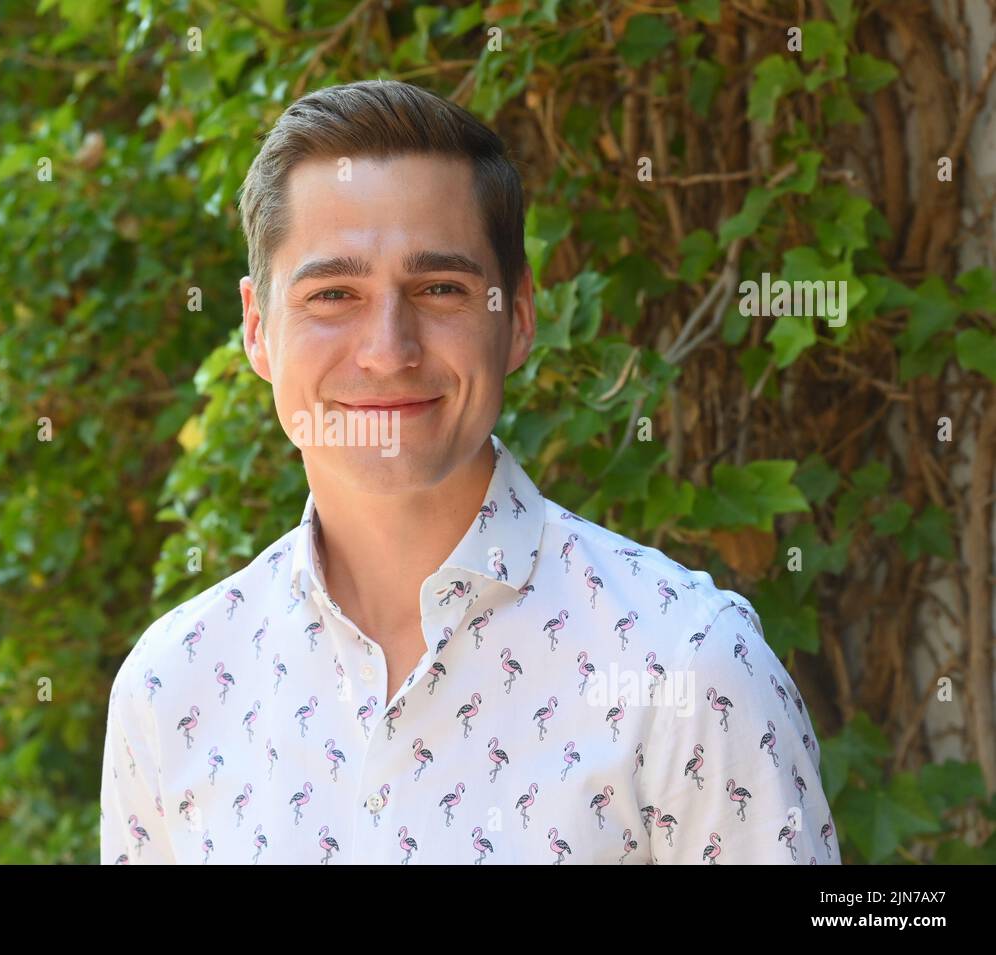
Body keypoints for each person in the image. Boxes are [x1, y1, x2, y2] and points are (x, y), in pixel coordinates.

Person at [100, 80, 839, 865]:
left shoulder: (685, 664)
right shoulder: (171, 687)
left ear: (517, 316)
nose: (389, 349)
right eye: (333, 294)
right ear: (258, 330)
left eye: (440, 288)